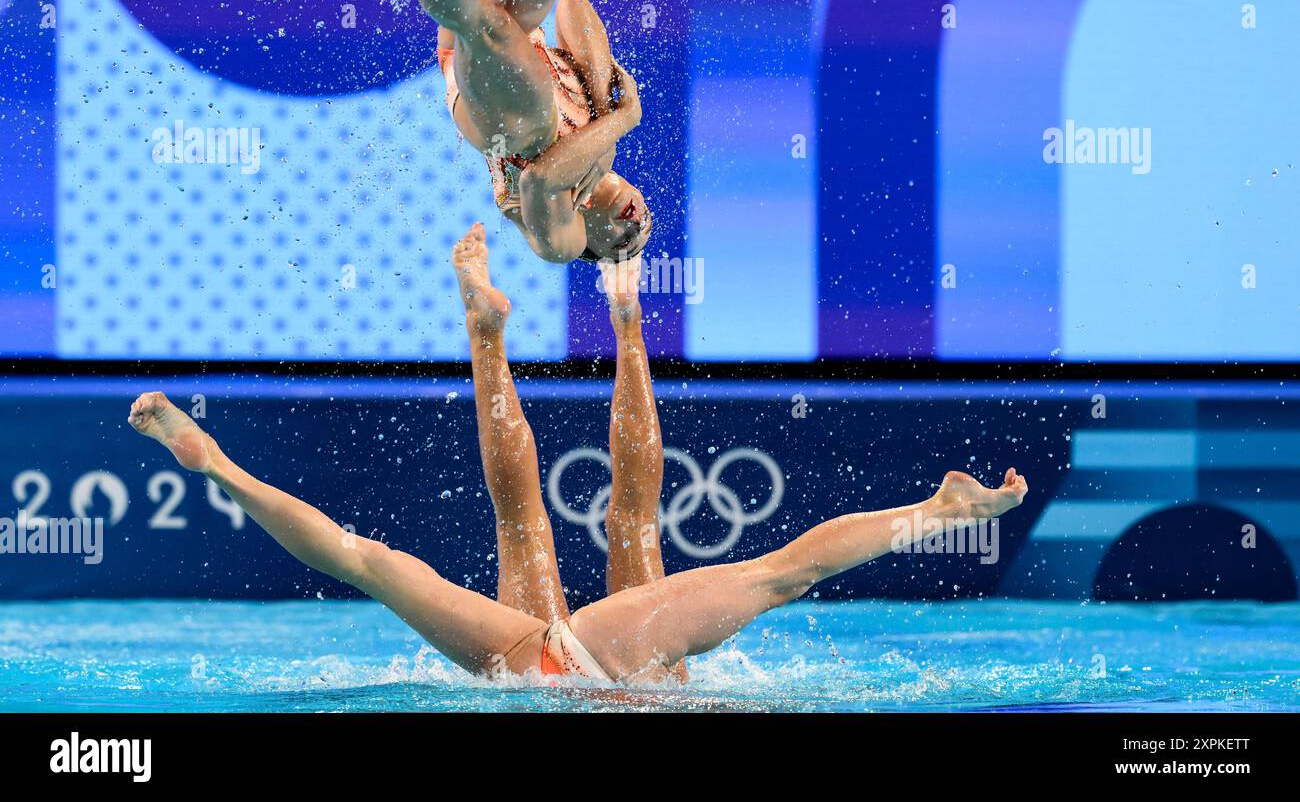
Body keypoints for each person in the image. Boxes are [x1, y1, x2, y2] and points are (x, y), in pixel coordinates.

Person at [126, 226, 1029, 684]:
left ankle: (221, 466)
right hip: (555, 677)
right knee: (642, 534)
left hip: (573, 673)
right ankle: (618, 311)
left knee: (414, 552)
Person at [398, 0, 653, 264]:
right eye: (646, 222)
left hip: (498, 116)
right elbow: (573, 11)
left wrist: (624, 117)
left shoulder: (563, 243)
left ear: (592, 244)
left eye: (624, 243)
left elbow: (539, 180)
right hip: (518, 44)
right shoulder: (603, 143)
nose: (635, 225)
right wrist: (607, 112)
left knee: (527, 107)